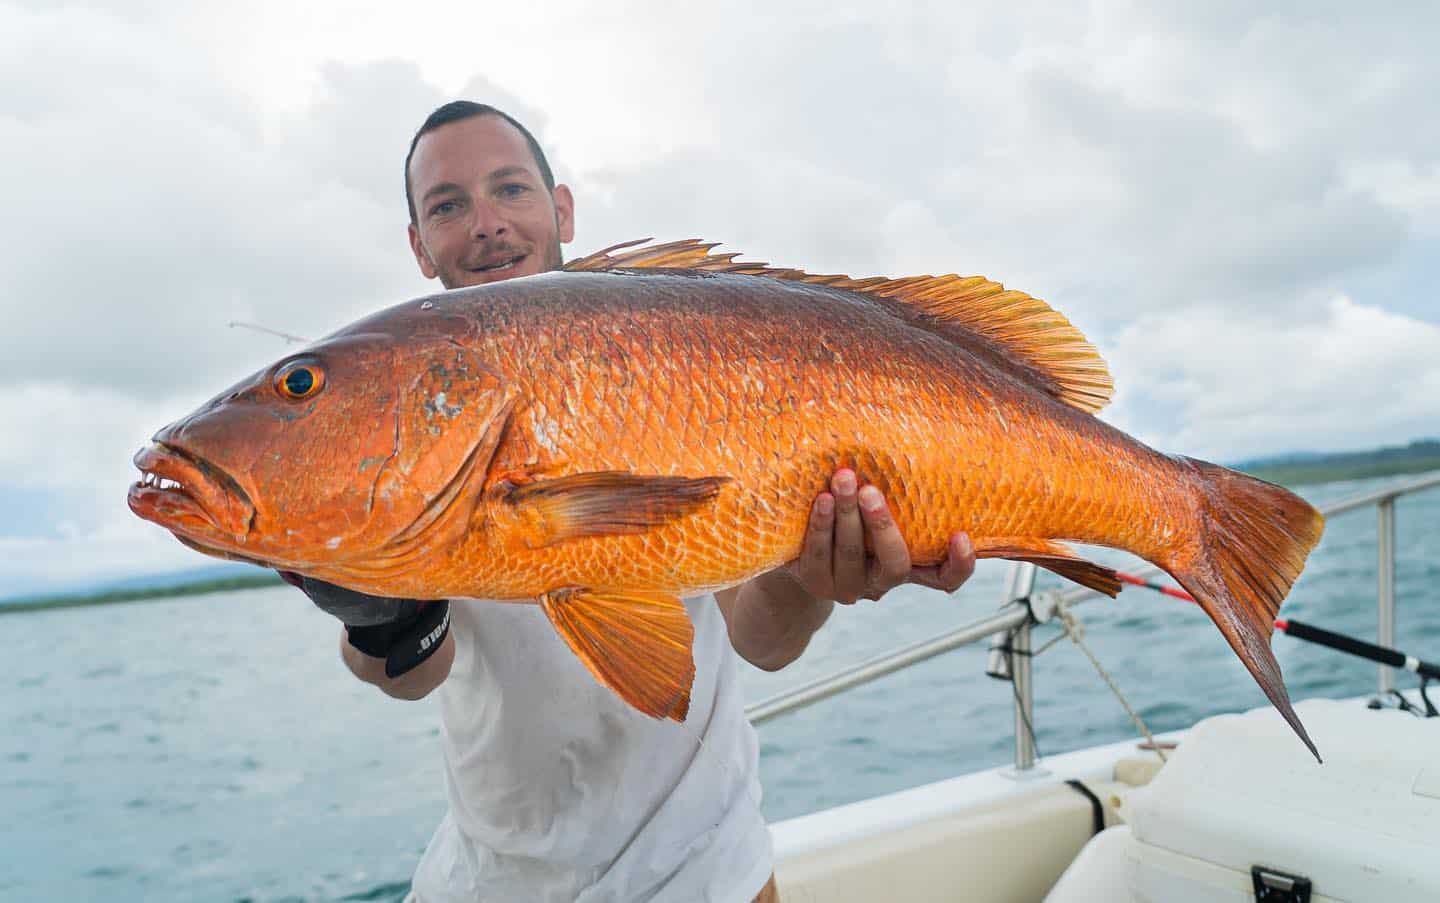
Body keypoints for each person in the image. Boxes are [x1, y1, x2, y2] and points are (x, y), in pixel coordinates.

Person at [288, 101, 977, 903]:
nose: (486, 223)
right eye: (448, 205)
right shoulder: (420, 389)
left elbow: (763, 639)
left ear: (562, 208)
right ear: (418, 244)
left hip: (706, 874)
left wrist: (808, 573)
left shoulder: (671, 344)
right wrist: (378, 614)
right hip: (490, 880)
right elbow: (413, 674)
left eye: (510, 188)